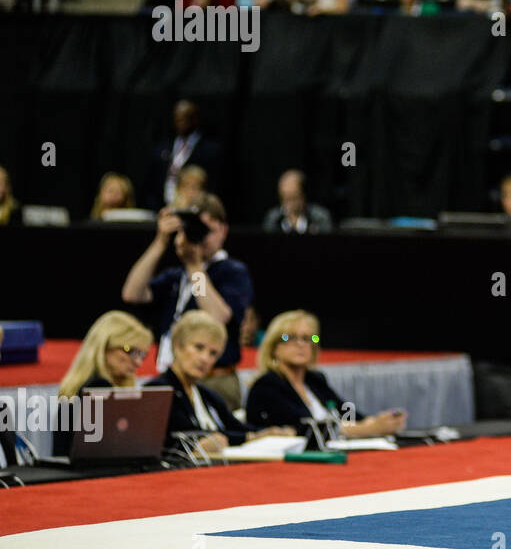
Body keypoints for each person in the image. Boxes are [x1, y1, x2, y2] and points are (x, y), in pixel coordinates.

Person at [120, 191, 252, 409]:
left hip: (213, 380)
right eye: (194, 230)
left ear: (223, 231)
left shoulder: (231, 271)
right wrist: (161, 241)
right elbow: (132, 293)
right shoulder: (178, 275)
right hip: (174, 377)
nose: (201, 238)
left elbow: (216, 317)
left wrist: (194, 266)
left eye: (207, 230)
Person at [146, 310, 292, 454]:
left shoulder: (206, 394)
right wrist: (252, 437)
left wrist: (271, 432)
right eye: (199, 347)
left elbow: (237, 427)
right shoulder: (158, 390)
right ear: (178, 346)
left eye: (213, 353)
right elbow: (184, 435)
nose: (205, 358)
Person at [244, 310, 407, 437]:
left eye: (308, 338)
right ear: (273, 346)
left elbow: (346, 411)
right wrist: (367, 429)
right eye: (290, 338)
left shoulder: (315, 380)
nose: (301, 344)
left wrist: (377, 421)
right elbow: (304, 427)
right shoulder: (267, 385)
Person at [52, 310, 151, 455]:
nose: (138, 362)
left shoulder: (81, 386)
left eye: (141, 354)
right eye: (130, 350)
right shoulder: (97, 387)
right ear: (104, 346)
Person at [146, 98, 222, 208]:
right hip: (162, 207)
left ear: (195, 119)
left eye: (184, 119)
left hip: (196, 209)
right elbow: (152, 182)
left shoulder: (210, 150)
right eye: (177, 119)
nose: (180, 123)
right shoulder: (162, 148)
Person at [262, 168, 333, 233]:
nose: (290, 204)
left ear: (304, 195)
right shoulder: (273, 220)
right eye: (285, 198)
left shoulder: (320, 218)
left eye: (294, 197)